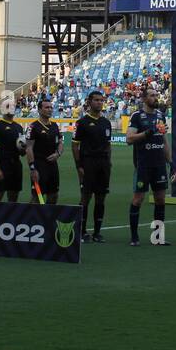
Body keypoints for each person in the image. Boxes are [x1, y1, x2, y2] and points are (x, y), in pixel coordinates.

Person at [127, 87, 170, 246]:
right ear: (144, 99)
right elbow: (129, 139)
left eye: (156, 95)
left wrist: (170, 162)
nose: (155, 98)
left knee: (160, 199)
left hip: (159, 164)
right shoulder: (137, 116)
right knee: (138, 199)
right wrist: (147, 133)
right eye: (152, 96)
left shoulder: (161, 116)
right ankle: (134, 237)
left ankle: (158, 237)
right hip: (143, 164)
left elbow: (164, 141)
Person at [72, 90, 112, 242]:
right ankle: (81, 231)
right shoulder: (82, 122)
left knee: (101, 198)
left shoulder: (106, 122)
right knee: (86, 197)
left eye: (101, 100)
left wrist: (109, 162)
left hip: (103, 164)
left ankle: (97, 232)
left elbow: (108, 145)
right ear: (89, 102)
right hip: (88, 163)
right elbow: (75, 146)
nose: (99, 103)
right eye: (96, 100)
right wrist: (79, 166)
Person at [26, 98, 63, 204]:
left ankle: (48, 220)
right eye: (47, 107)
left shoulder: (55, 126)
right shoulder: (33, 127)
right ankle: (30, 220)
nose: (50, 109)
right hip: (39, 165)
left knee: (54, 196)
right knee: (36, 197)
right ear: (39, 110)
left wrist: (58, 153)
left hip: (52, 165)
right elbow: (29, 148)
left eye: (51, 107)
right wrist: (32, 168)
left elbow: (60, 143)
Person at [0, 106, 25, 203]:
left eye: (13, 107)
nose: (11, 109)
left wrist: (23, 148)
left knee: (14, 196)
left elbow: (22, 153)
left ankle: (11, 218)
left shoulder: (19, 127)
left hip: (16, 165)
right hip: (2, 165)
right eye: (8, 107)